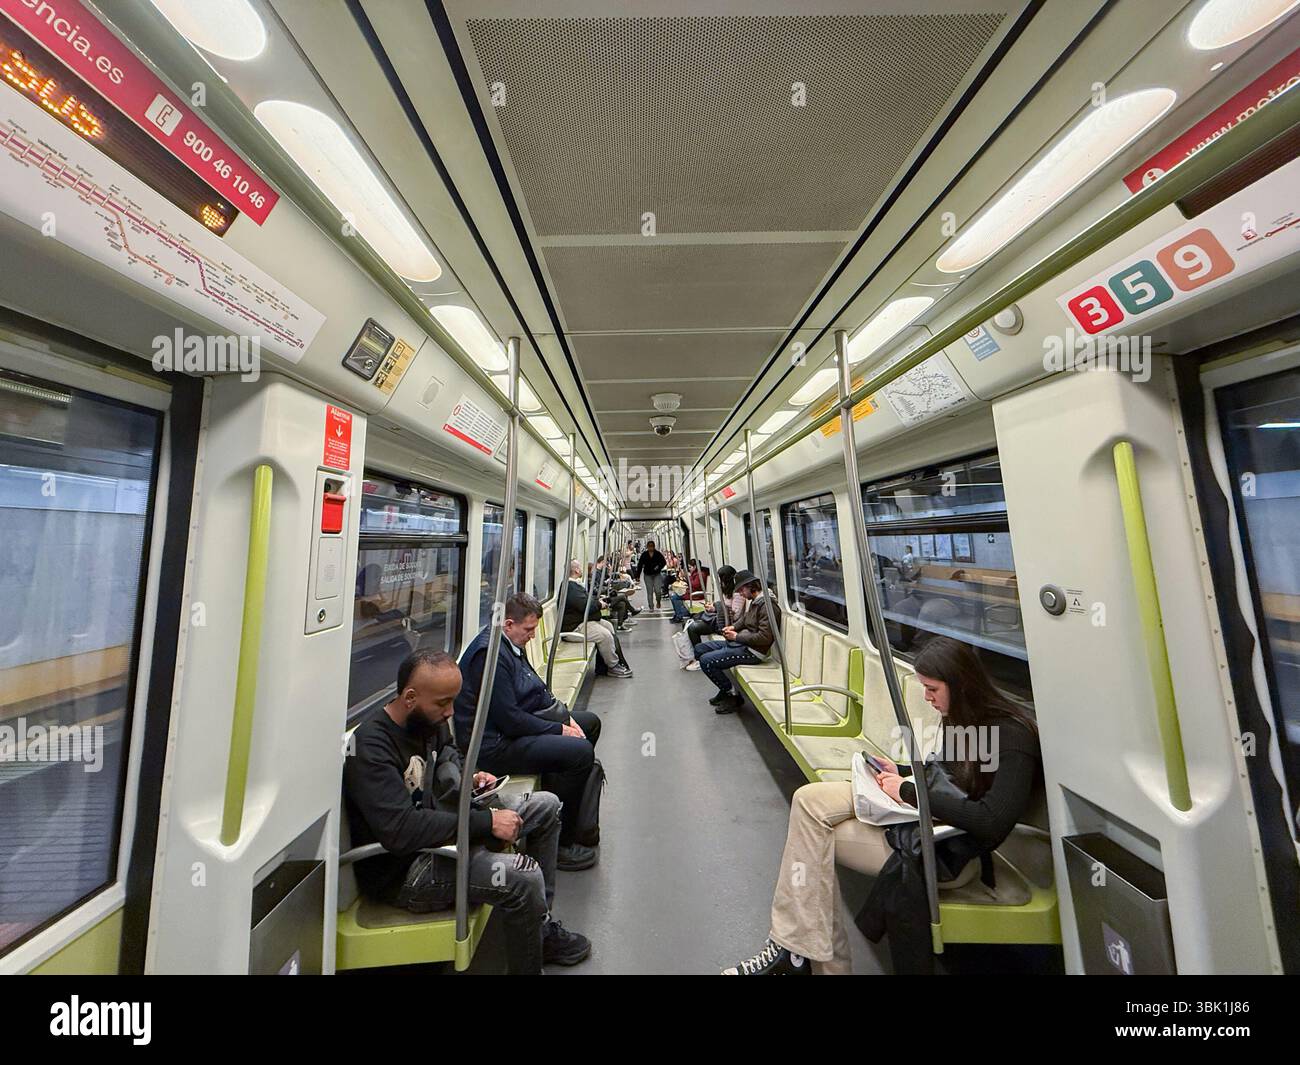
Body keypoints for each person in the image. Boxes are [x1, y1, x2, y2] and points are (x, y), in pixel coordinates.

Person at [723, 637, 1040, 975]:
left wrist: (908, 792)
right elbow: (945, 775)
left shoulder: (1012, 737)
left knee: (815, 840)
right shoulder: (962, 719)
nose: (926, 697)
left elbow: (991, 822)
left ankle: (804, 957)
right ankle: (798, 953)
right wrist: (899, 772)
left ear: (962, 684)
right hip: (926, 819)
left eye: (932, 689)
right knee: (808, 800)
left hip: (949, 852)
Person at [344, 649, 591, 972]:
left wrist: (468, 779)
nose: (450, 713)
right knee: (523, 877)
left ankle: (539, 928)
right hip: (408, 869)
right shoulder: (371, 747)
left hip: (444, 829)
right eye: (443, 703)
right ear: (410, 697)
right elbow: (400, 830)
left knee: (547, 806)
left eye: (452, 702)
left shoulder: (428, 721)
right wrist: (486, 822)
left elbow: (449, 753)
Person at [455, 593, 603, 869]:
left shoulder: (508, 644)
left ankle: (563, 794)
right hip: (493, 746)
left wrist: (561, 720)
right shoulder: (490, 657)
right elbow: (509, 719)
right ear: (509, 624)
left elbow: (526, 695)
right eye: (529, 630)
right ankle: (562, 843)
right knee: (580, 753)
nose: (533, 636)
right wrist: (558, 727)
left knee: (590, 722)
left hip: (512, 730)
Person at [692, 569, 782, 713]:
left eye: (741, 590)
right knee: (700, 649)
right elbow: (745, 619)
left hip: (754, 652)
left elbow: (765, 637)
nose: (740, 594)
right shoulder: (756, 602)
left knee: (706, 661)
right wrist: (733, 627)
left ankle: (733, 695)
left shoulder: (768, 607)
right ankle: (724, 688)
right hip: (743, 643)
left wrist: (736, 637)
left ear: (750, 586)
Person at [562, 559, 633, 677]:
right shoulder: (571, 588)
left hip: (581, 621)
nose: (581, 569)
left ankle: (603, 666)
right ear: (576, 570)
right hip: (574, 627)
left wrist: (598, 602)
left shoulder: (574, 585)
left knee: (608, 626)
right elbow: (585, 606)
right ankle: (613, 666)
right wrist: (600, 604)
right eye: (579, 567)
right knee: (604, 635)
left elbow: (585, 602)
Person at [633, 540, 667, 611]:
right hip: (647, 575)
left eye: (652, 546)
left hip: (657, 574)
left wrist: (658, 567)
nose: (651, 548)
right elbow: (640, 565)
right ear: (647, 547)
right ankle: (651, 606)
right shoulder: (644, 555)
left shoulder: (658, 554)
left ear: (654, 547)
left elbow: (663, 562)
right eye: (649, 547)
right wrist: (637, 576)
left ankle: (658, 601)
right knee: (649, 591)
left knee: (658, 591)